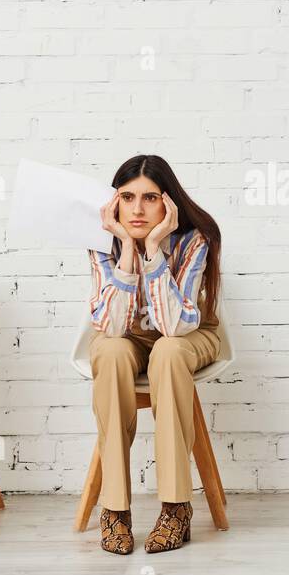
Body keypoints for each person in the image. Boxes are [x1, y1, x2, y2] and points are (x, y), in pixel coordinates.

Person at [87, 155, 223, 554]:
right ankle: (114, 509)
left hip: (189, 336)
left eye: (150, 198)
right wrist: (128, 250)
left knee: (166, 351)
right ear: (115, 203)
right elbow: (111, 327)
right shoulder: (102, 241)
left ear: (168, 203)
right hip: (129, 336)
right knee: (110, 353)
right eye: (127, 198)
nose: (137, 208)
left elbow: (175, 325)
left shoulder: (194, 238)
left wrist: (153, 250)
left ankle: (177, 506)